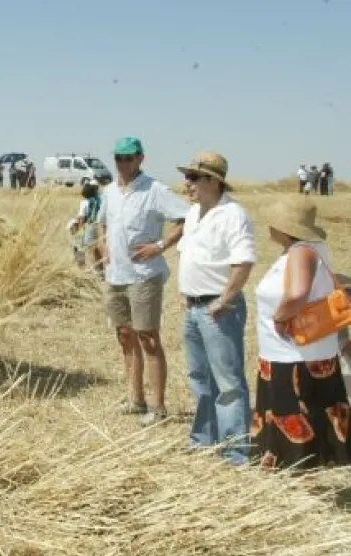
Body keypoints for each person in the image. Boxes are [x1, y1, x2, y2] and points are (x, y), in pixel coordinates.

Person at [252, 197, 350, 470]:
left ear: (283, 226)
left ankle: (299, 478)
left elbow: (297, 292)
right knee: (312, 422)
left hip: (292, 359)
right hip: (307, 356)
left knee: (295, 424)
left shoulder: (300, 251)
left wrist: (281, 317)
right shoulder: (311, 249)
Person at [98, 136, 190, 425]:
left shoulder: (155, 190)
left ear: (140, 158)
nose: (123, 163)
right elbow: (102, 222)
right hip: (116, 275)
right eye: (118, 158)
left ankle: (158, 406)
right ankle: (135, 398)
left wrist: (159, 246)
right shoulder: (110, 191)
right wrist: (103, 245)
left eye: (129, 157)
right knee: (124, 335)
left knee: (148, 337)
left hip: (143, 275)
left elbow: (186, 218)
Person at [175, 151, 257, 465]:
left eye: (194, 177)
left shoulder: (233, 215)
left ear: (213, 181)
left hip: (218, 309)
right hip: (195, 308)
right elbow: (187, 254)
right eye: (187, 176)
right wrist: (184, 292)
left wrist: (224, 299)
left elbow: (243, 261)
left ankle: (235, 452)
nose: (187, 183)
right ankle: (203, 441)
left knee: (228, 383)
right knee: (200, 377)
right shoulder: (194, 213)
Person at [68, 178, 104, 273]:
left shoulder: (85, 201)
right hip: (100, 226)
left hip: (89, 226)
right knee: (97, 248)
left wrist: (77, 229)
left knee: (84, 247)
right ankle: (101, 269)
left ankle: (86, 268)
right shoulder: (100, 199)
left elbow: (81, 217)